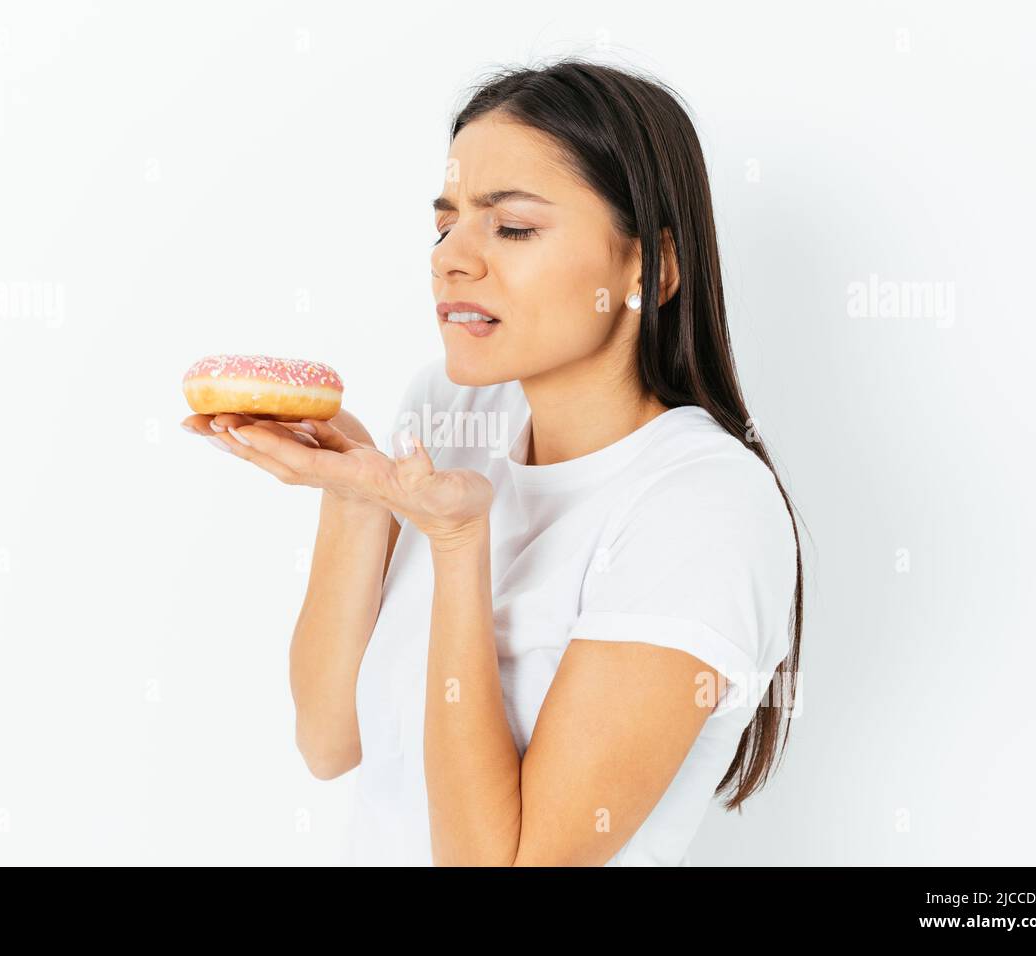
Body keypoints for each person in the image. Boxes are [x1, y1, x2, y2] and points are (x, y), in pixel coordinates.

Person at [182, 58, 804, 866]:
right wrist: (356, 493)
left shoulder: (703, 507)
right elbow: (329, 740)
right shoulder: (450, 410)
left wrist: (455, 543)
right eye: (445, 225)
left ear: (649, 269)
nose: (450, 258)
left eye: (511, 228)